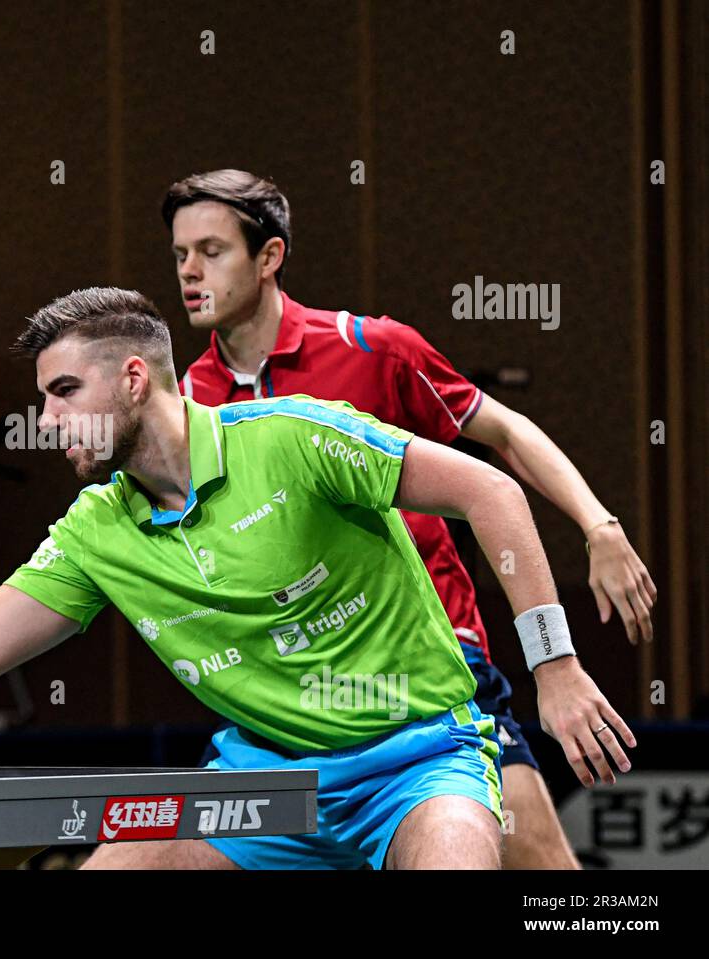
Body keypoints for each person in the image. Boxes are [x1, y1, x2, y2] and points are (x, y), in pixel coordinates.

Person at [0, 286, 634, 870]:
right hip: (266, 786)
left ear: (137, 379)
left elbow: (492, 492)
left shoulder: (295, 436)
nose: (46, 419)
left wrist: (555, 669)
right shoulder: (94, 532)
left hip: (418, 758)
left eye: (63, 393)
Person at [162, 168, 657, 868]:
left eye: (211, 251)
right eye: (180, 254)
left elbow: (505, 433)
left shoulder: (372, 349)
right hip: (298, 696)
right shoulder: (189, 402)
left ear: (269, 257)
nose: (190, 271)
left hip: (433, 673)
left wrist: (598, 526)